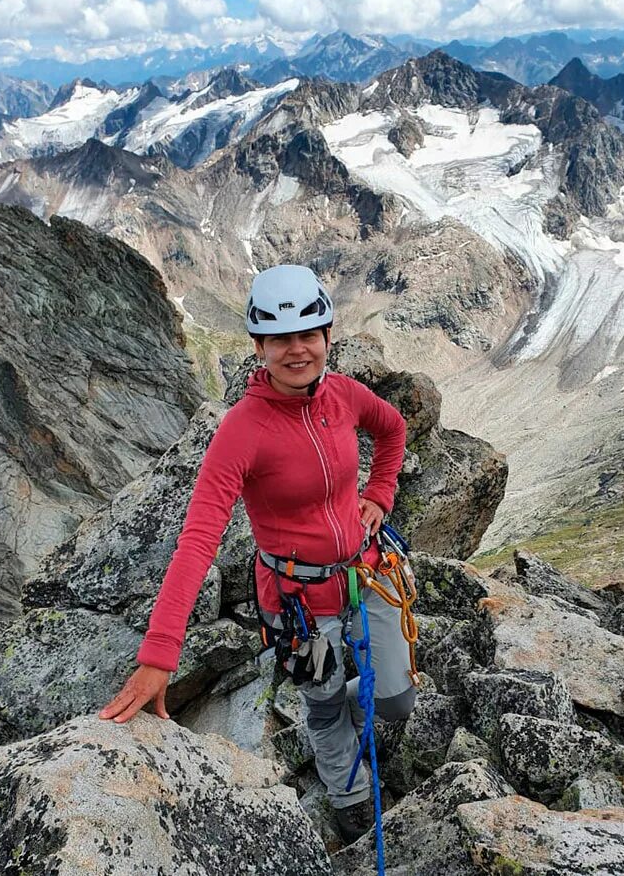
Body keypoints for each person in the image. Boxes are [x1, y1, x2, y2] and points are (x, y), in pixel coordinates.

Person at [100, 263, 415, 842]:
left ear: (327, 336)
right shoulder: (242, 431)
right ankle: (350, 792)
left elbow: (393, 431)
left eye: (308, 335)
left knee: (396, 701)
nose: (297, 351)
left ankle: (337, 712)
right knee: (322, 706)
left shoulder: (344, 396)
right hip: (299, 601)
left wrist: (380, 494)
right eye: (280, 339)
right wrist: (160, 654)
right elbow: (198, 540)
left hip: (365, 574)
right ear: (259, 346)